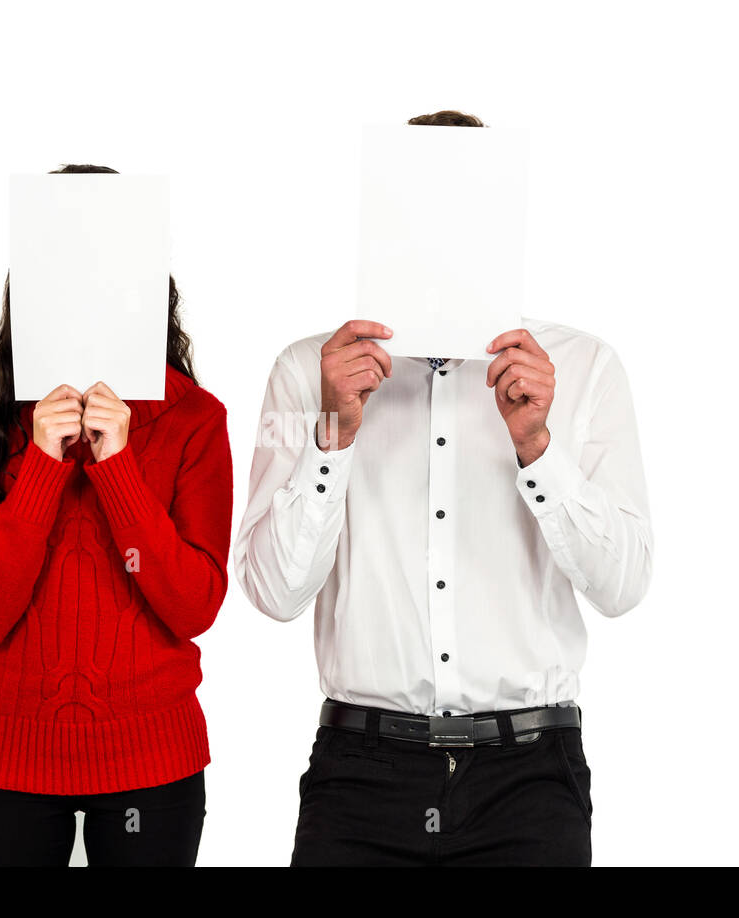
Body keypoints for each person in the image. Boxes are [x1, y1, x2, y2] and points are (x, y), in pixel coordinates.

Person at [233, 110, 653, 866]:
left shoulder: (584, 367)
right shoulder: (308, 371)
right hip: (360, 778)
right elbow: (273, 592)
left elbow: (623, 584)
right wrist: (332, 436)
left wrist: (537, 447)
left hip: (529, 780)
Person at [0, 164, 232, 866]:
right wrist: (41, 465)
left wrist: (117, 466)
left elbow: (194, 606)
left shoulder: (194, 418)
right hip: (8, 761)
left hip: (152, 762)